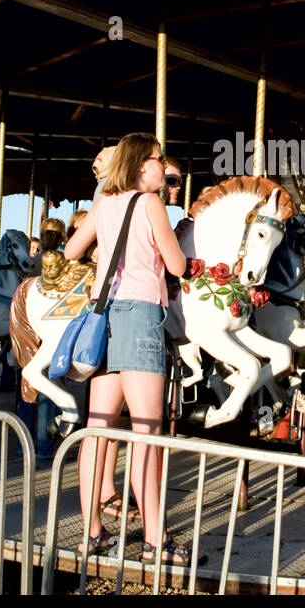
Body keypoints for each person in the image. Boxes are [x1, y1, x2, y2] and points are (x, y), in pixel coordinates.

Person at [64, 132, 194, 563]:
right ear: (142, 166)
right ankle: (155, 540)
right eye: (160, 162)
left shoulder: (104, 203)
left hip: (105, 316)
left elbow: (70, 251)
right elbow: (176, 264)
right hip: (140, 314)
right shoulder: (150, 203)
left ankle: (93, 533)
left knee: (98, 429)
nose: (165, 170)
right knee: (146, 431)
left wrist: (106, 264)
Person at [162, 156, 185, 226]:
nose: (178, 187)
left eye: (179, 182)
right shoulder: (177, 214)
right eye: (172, 180)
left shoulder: (178, 213)